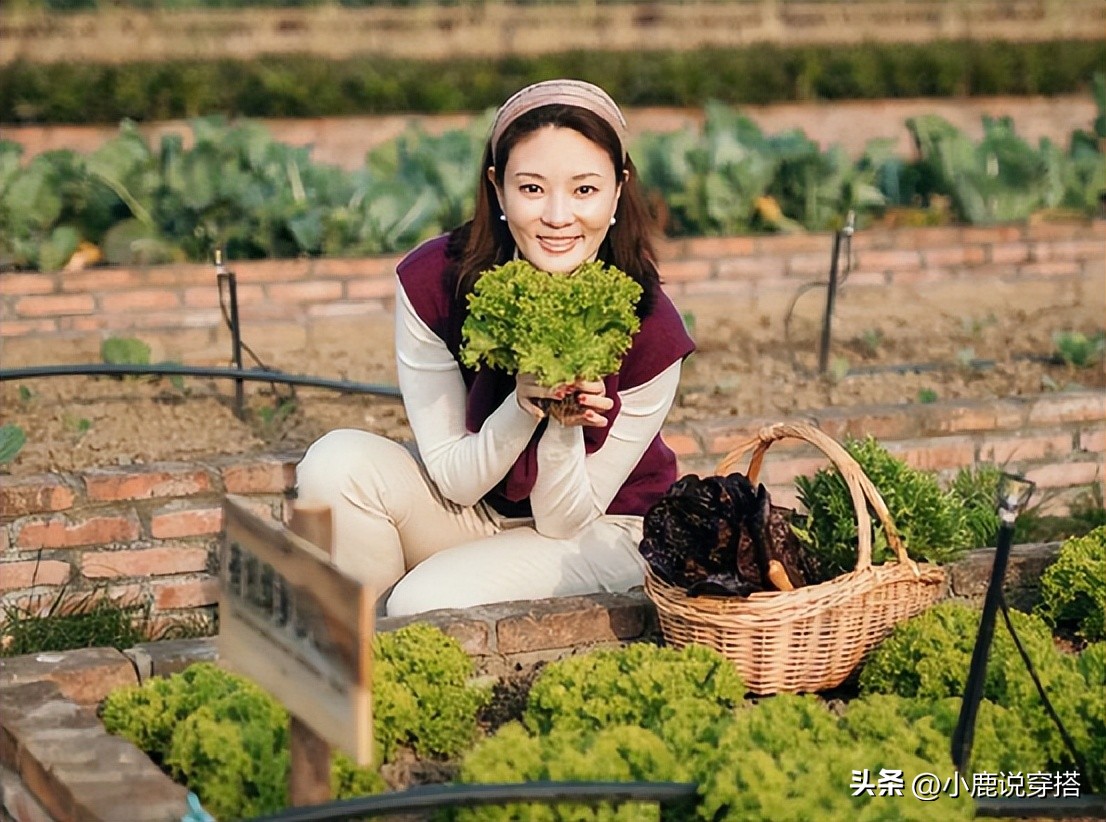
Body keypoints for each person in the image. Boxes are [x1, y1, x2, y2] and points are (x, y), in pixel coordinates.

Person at [295, 79, 695, 616]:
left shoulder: (652, 325)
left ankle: (393, 644)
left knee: (424, 601)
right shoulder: (434, 281)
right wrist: (524, 403)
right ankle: (347, 664)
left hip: (600, 528)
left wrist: (562, 422)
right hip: (476, 507)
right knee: (334, 465)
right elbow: (457, 482)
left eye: (584, 190)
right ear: (497, 188)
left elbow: (563, 521)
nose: (557, 216)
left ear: (618, 190)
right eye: (532, 188)